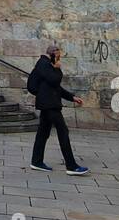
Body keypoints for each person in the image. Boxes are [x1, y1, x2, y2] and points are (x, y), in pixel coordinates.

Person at [28, 43, 89, 175]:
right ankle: (71, 166)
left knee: (43, 133)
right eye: (58, 54)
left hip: (48, 104)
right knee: (63, 132)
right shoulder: (44, 64)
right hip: (49, 105)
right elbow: (55, 80)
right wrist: (57, 68)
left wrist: (72, 97)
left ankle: (36, 161)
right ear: (53, 54)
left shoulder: (47, 65)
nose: (59, 57)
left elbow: (56, 88)